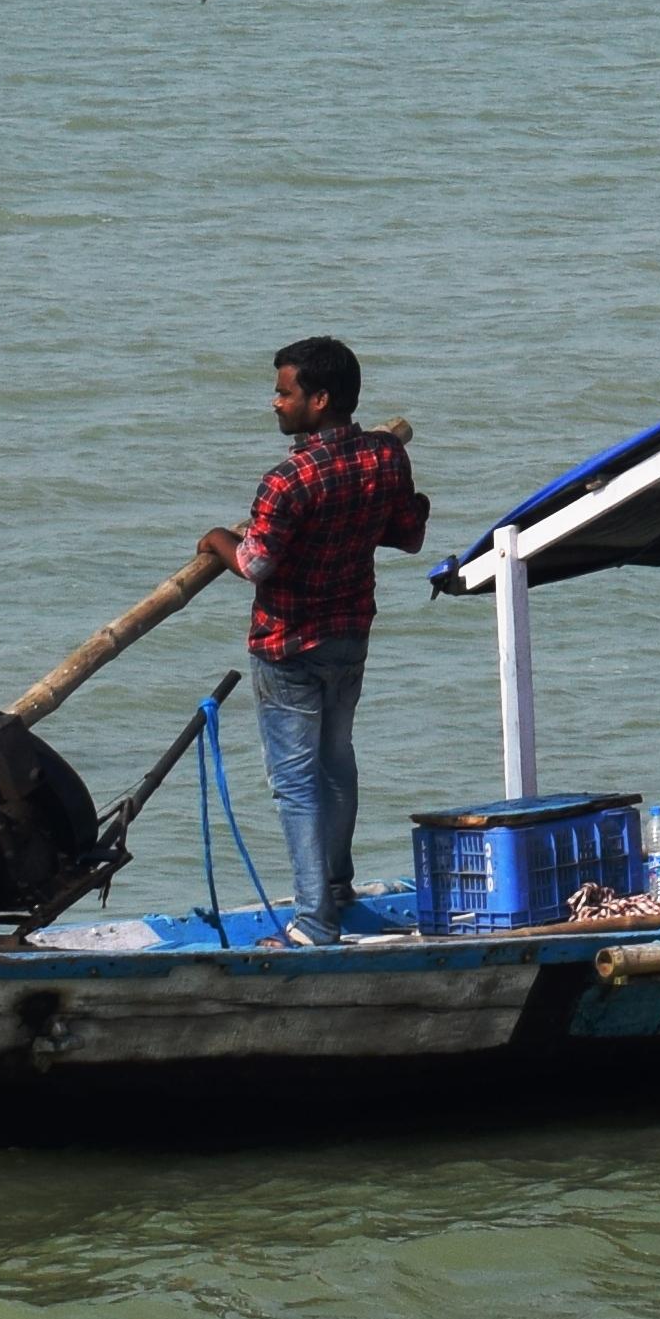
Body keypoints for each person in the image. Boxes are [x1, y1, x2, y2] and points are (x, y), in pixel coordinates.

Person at [190, 334, 425, 935]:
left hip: (289, 645)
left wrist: (219, 539)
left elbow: (257, 565)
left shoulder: (286, 481)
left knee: (295, 782)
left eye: (283, 392)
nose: (275, 402)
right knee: (336, 761)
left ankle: (314, 919)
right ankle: (337, 886)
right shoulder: (383, 457)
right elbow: (407, 536)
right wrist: (415, 506)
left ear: (319, 400)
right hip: (350, 635)